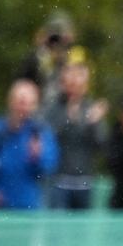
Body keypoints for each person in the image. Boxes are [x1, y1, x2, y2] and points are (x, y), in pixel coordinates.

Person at [0, 79, 60, 210]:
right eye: (21, 102)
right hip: (1, 205)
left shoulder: (40, 131)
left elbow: (50, 166)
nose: (24, 108)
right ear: (10, 101)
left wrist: (37, 157)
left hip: (30, 204)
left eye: (30, 103)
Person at [44, 62, 108, 210]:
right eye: (69, 82)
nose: (73, 86)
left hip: (85, 181)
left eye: (77, 82)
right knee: (59, 228)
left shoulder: (91, 108)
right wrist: (69, 120)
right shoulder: (53, 108)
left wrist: (94, 123)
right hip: (59, 180)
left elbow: (101, 143)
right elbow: (48, 137)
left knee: (83, 229)